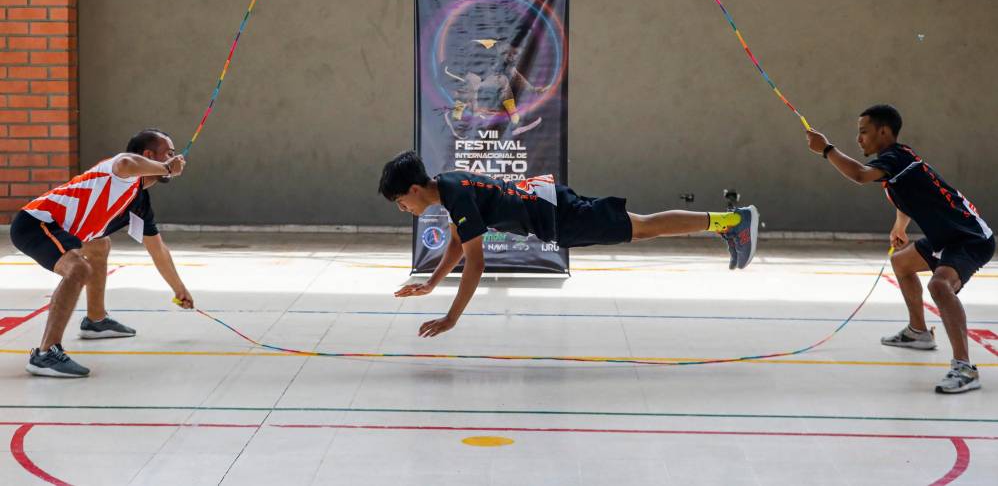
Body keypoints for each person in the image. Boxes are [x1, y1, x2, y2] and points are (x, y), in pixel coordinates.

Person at [379, 150, 758, 338]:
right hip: (551, 206)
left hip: (556, 215)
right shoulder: (448, 186)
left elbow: (475, 264)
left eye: (401, 202)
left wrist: (451, 318)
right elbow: (459, 241)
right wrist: (431, 283)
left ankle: (733, 221)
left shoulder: (455, 194)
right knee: (642, 226)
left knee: (643, 227)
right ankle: (729, 223)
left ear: (413, 189)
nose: (404, 209)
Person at [806, 104, 993, 394]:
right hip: (946, 235)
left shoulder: (895, 157)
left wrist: (826, 149)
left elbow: (858, 175)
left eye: (863, 132)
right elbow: (911, 194)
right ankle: (918, 332)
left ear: (883, 131)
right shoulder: (898, 162)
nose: (859, 140)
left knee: (940, 286)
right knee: (902, 263)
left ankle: (964, 367)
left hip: (970, 238)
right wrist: (900, 225)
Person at [9, 129, 194, 378]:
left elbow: (158, 250)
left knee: (100, 244)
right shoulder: (121, 172)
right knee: (79, 269)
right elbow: (127, 161)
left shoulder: (139, 200)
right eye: (169, 153)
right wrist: (168, 168)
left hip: (61, 229)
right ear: (149, 155)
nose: (174, 157)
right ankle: (45, 353)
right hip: (37, 223)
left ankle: (96, 321)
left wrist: (179, 289)